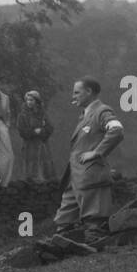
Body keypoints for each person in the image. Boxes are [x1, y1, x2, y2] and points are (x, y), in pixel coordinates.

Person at [54, 77, 124, 244]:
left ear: (89, 92)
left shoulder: (102, 111)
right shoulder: (84, 115)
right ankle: (60, 248)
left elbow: (117, 130)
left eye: (77, 92)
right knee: (63, 220)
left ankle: (95, 248)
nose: (73, 96)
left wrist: (97, 152)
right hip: (75, 178)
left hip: (91, 176)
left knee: (95, 222)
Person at [15, 90, 55, 180]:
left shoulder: (42, 114)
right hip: (29, 147)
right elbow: (22, 131)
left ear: (36, 101)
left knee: (45, 171)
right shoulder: (22, 115)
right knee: (30, 172)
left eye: (31, 100)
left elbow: (50, 128)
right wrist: (33, 132)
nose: (29, 102)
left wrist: (41, 131)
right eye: (28, 100)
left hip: (42, 146)